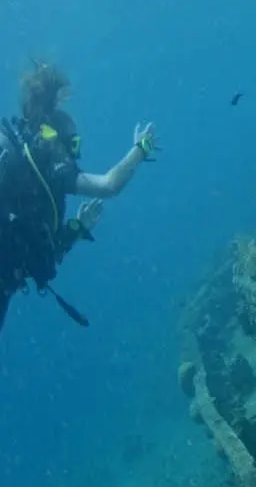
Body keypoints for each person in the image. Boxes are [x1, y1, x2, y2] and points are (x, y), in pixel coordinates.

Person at [0, 63, 157, 333]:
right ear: (55, 137)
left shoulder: (31, 179)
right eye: (74, 143)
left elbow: (39, 250)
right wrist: (141, 149)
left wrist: (76, 229)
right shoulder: (52, 166)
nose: (75, 153)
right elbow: (110, 185)